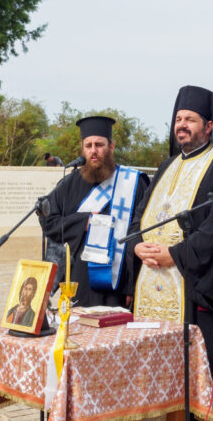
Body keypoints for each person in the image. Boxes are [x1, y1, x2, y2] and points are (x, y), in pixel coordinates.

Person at [126, 85, 213, 421]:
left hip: (193, 290)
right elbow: (141, 214)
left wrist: (175, 255)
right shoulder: (166, 166)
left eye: (190, 119)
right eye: (178, 119)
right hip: (153, 285)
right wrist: (137, 245)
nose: (181, 125)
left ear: (209, 126)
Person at [38, 115, 149, 308]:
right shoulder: (69, 183)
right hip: (79, 281)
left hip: (119, 284)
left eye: (99, 145)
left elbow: (141, 232)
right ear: (83, 148)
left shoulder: (134, 183)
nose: (93, 151)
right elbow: (49, 221)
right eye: (88, 146)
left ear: (111, 147)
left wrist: (131, 286)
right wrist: (84, 222)